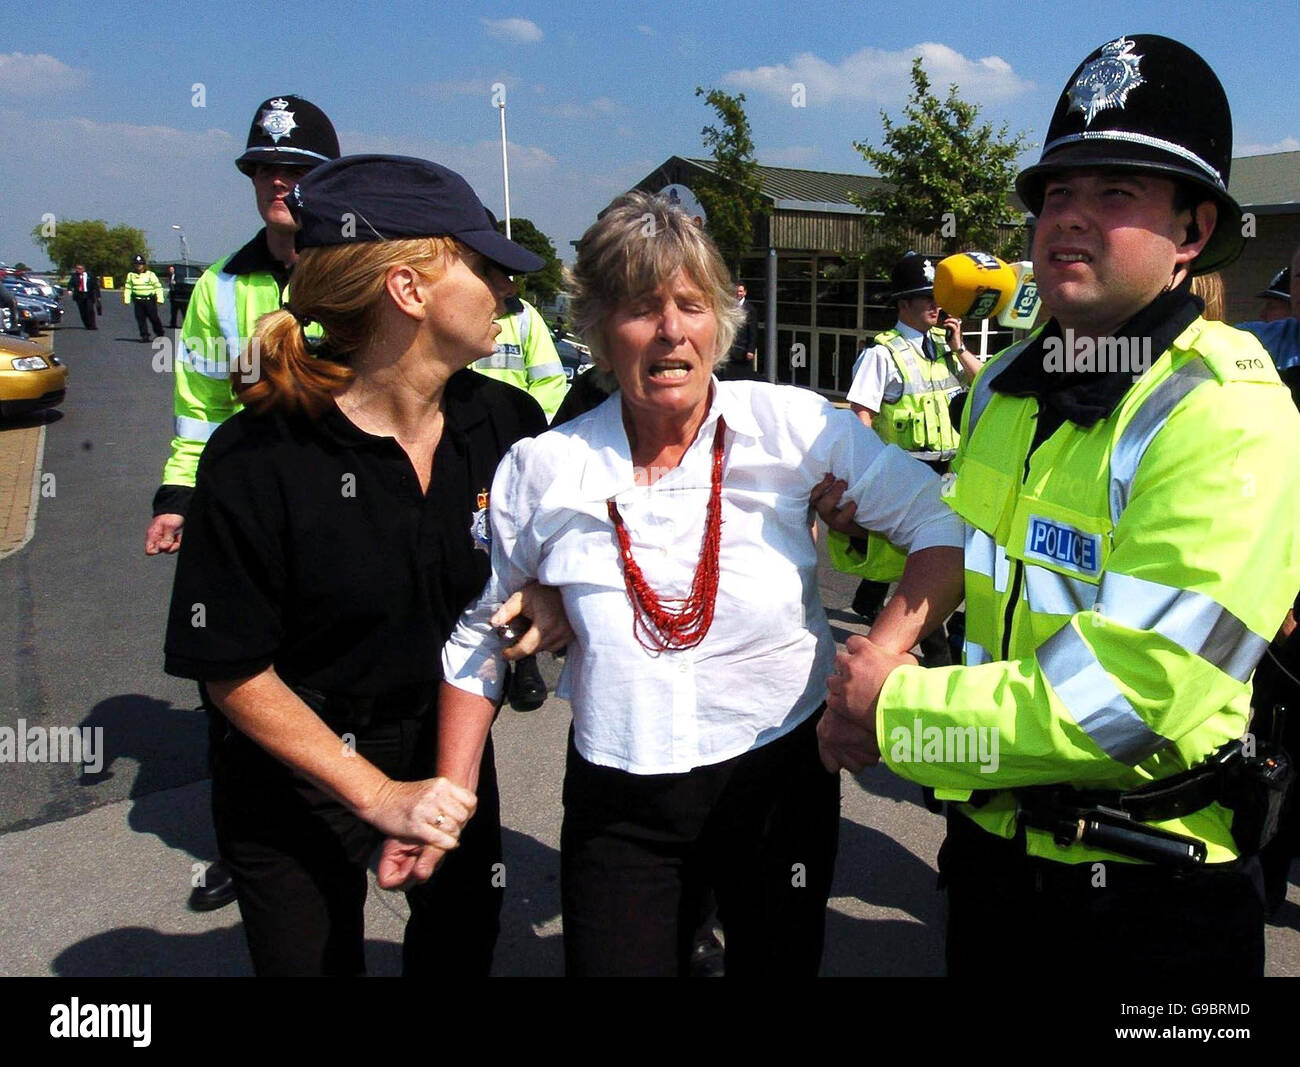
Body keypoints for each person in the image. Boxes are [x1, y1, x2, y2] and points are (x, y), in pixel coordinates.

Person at [818, 34, 1300, 979]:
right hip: (996, 859)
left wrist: (899, 712)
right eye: (1057, 194)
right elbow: (974, 538)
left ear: (1193, 233)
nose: (1069, 221)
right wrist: (875, 543)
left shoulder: (1228, 412)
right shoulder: (1009, 380)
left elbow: (1136, 695)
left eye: (1116, 195)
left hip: (1153, 902)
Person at [440, 189, 964, 977]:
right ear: (599, 329)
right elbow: (484, 631)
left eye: (692, 304)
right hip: (621, 799)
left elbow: (945, 527)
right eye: (641, 307)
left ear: (721, 318)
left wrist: (883, 653)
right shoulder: (544, 468)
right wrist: (449, 793)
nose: (671, 331)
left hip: (780, 780)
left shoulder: (797, 429)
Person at [164, 153, 564, 976]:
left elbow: (548, 558)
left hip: (443, 736)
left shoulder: (507, 423)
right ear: (409, 290)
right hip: (293, 770)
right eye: (484, 268)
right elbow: (230, 668)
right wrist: (377, 795)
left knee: (460, 944)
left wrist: (550, 594)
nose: (507, 291)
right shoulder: (258, 455)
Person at [145, 94, 341, 914]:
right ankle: (244, 846)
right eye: (266, 168)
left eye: (297, 171)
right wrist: (177, 496)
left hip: (340, 512)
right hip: (246, 522)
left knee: (341, 681)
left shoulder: (364, 278)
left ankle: (363, 822)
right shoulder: (218, 289)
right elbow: (196, 411)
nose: (280, 183)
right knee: (235, 700)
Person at [833, 252, 982, 664]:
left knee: (948, 566)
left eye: (938, 297)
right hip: (908, 474)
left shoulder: (945, 347)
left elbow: (986, 388)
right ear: (903, 305)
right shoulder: (882, 354)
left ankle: (896, 620)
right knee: (920, 578)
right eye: (926, 298)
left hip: (950, 474)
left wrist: (960, 348)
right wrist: (864, 476)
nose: (937, 305)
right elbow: (860, 416)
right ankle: (936, 659)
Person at [469, 291, 569, 711]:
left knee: (520, 566)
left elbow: (548, 380)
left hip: (512, 446)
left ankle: (523, 665)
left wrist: (529, 444)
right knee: (480, 560)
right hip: (466, 441)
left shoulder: (524, 316)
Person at [715, 283, 757, 381]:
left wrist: (751, 350)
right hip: (730, 348)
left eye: (740, 291)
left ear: (745, 293)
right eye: (737, 291)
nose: (738, 293)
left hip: (743, 350)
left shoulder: (750, 309)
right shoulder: (729, 307)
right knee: (728, 376)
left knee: (742, 377)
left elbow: (753, 331)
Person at [123, 255, 165, 342]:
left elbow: (157, 287)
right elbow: (128, 287)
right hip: (138, 300)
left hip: (149, 300)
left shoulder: (150, 274)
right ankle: (144, 336)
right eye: (137, 264)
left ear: (144, 265)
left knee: (153, 317)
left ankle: (159, 333)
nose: (138, 266)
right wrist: (127, 299)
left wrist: (160, 299)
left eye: (140, 264)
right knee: (140, 319)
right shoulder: (131, 275)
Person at [69, 264, 100, 330]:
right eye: (77, 268)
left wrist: (98, 296)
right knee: (83, 311)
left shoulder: (90, 275)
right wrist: (69, 290)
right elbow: (70, 284)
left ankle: (93, 325)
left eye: (80, 269)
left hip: (89, 295)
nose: (78, 270)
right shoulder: (74, 276)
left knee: (90, 310)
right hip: (79, 295)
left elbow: (95, 286)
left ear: (84, 269)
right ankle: (87, 325)